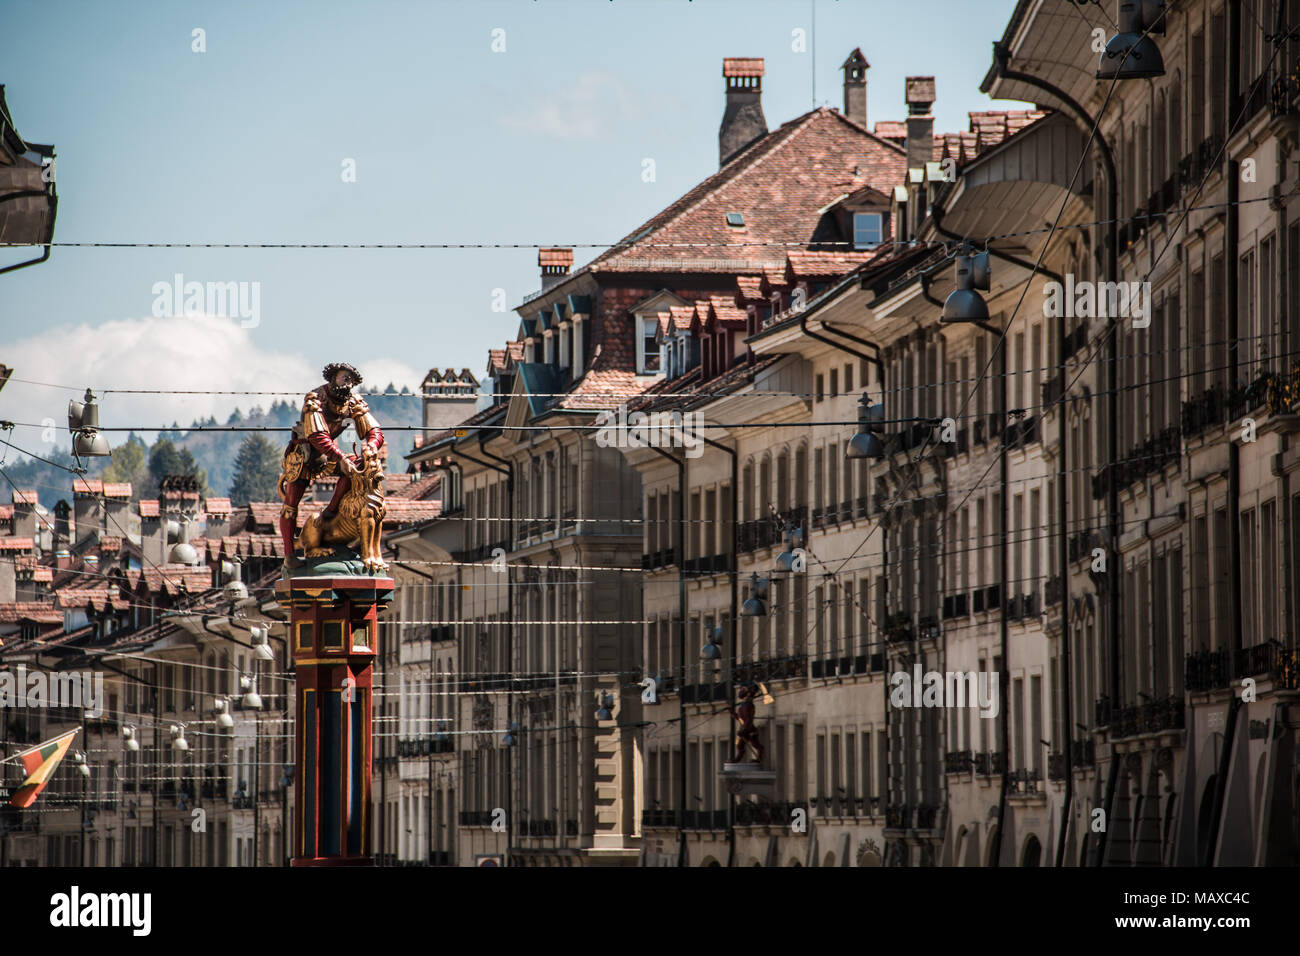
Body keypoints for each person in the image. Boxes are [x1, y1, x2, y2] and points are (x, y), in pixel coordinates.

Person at [278, 362, 385, 568]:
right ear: (333, 378)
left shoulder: (353, 401)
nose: (348, 384)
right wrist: (340, 457)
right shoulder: (315, 398)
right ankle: (290, 555)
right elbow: (318, 436)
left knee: (355, 468)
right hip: (304, 455)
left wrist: (371, 446)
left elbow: (375, 431)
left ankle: (331, 511)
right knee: (291, 505)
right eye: (345, 378)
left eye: (352, 381)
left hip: (331, 456)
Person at [731, 682, 764, 764]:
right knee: (740, 745)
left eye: (743, 689)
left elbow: (748, 719)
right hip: (744, 728)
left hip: (749, 729)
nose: (741, 691)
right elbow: (740, 718)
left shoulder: (748, 705)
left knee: (754, 744)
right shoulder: (744, 704)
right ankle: (737, 759)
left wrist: (744, 730)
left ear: (748, 693)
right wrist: (733, 713)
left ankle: (758, 757)